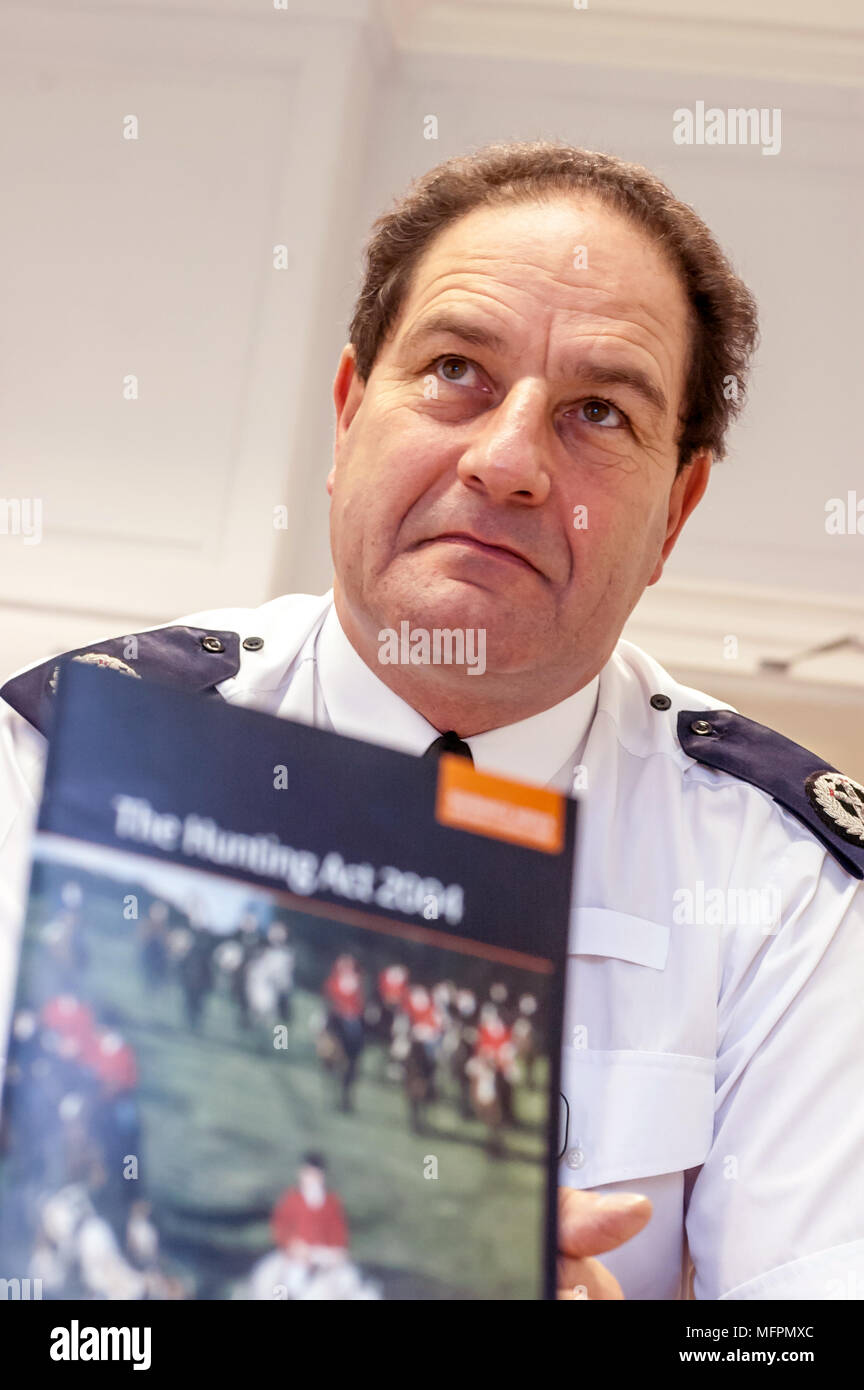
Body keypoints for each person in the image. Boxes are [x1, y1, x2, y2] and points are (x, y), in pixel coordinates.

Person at [1, 140, 862, 1301]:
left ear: (677, 509)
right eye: (456, 369)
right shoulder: (58, 760)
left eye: (598, 412)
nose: (509, 460)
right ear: (352, 411)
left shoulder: (795, 888)